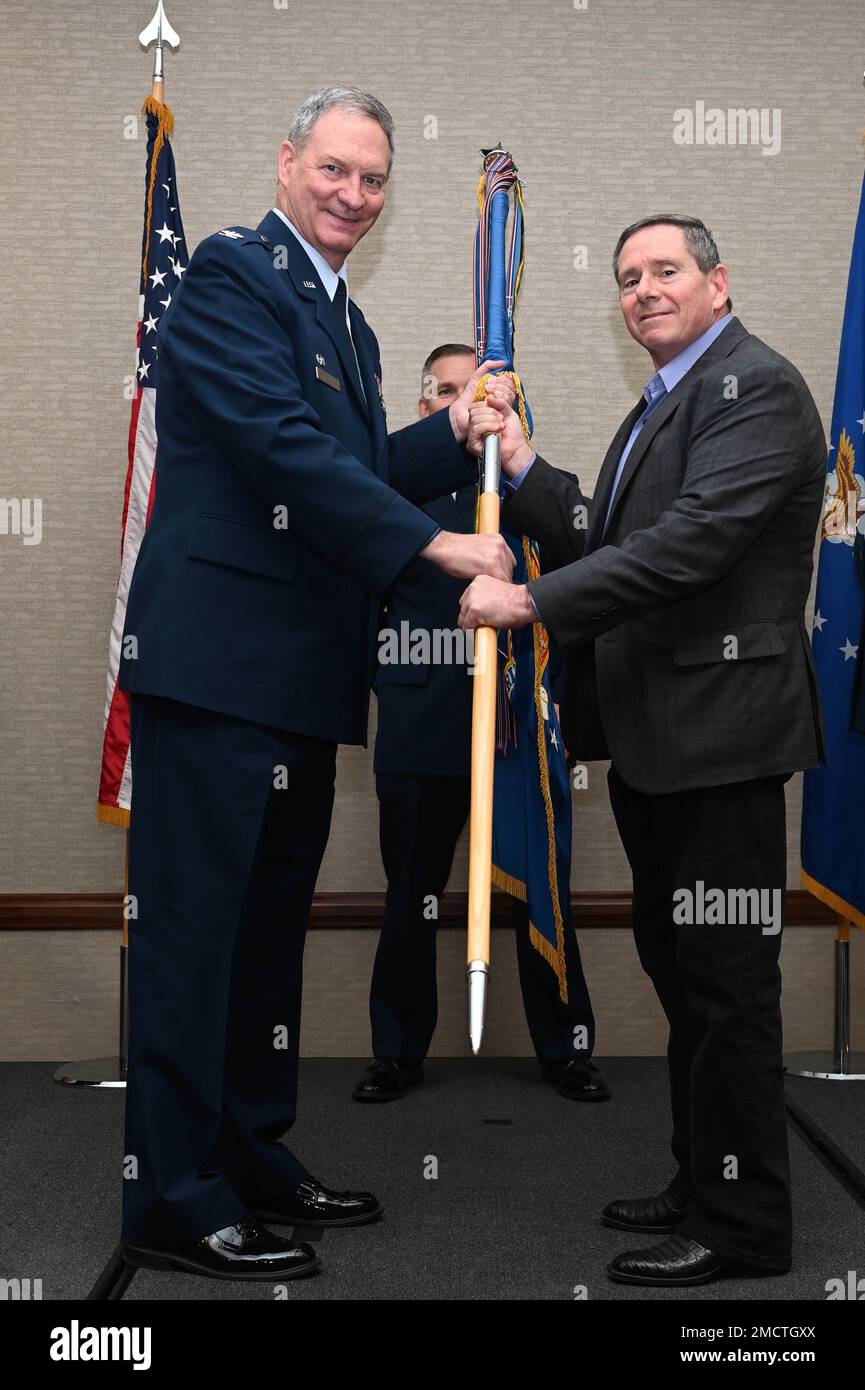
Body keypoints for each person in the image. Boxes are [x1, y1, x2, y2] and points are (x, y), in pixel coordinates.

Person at [118, 86, 516, 1284]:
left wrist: (450, 433)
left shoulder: (352, 325)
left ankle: (248, 1152)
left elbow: (345, 466)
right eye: (335, 169)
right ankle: (172, 1198)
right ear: (288, 161)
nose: (353, 194)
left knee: (261, 940)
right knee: (195, 939)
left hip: (297, 679)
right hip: (219, 665)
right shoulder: (235, 277)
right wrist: (438, 546)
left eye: (376, 179)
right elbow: (275, 447)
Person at [458, 214, 826, 1287]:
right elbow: (608, 537)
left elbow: (691, 544)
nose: (643, 290)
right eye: (626, 278)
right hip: (661, 746)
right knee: (683, 979)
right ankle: (703, 1177)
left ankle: (746, 1226)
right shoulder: (661, 404)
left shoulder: (755, 388)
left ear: (720, 280)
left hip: (723, 744)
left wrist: (526, 600)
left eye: (664, 271)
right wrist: (523, 465)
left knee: (725, 989)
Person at [353, 343, 607, 1104]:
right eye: (448, 392)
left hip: (517, 733)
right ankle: (397, 1050)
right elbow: (355, 597)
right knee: (411, 897)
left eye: (481, 389)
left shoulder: (530, 488)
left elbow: (586, 560)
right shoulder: (389, 488)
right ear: (427, 406)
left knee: (541, 889)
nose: (466, 403)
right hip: (421, 723)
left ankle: (566, 1047)